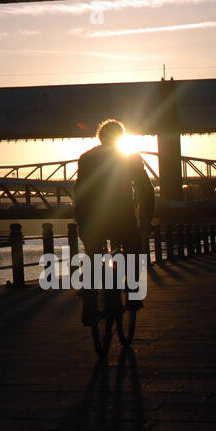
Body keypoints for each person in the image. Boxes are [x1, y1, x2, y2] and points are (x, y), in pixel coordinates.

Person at [74, 119, 155, 325]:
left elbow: (80, 192)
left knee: (92, 253)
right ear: (121, 138)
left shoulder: (86, 158)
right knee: (134, 247)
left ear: (100, 138)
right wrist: (145, 221)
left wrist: (82, 223)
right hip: (122, 216)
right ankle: (134, 293)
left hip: (94, 217)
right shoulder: (129, 157)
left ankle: (90, 297)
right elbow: (146, 189)